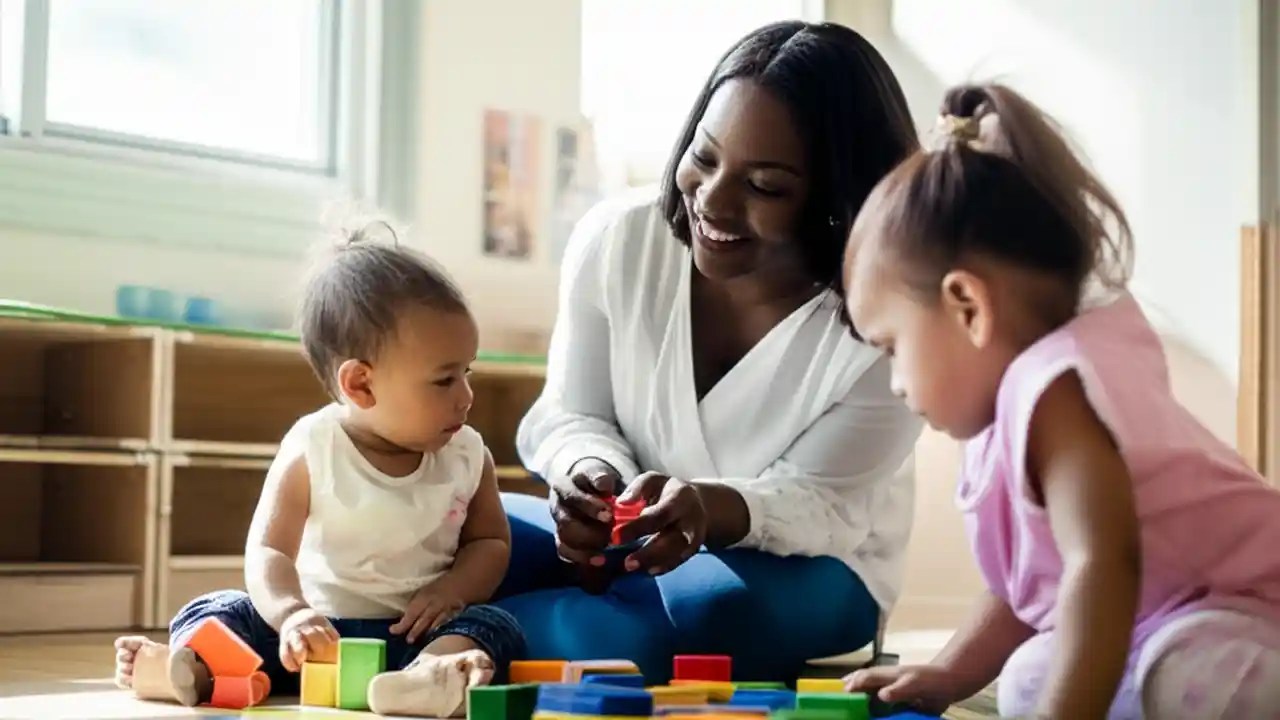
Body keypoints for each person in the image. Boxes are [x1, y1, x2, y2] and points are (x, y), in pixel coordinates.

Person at [494, 20, 924, 683]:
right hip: (633, 541)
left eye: (765, 186)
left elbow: (825, 508)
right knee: (440, 533)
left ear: (839, 199)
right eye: (705, 156)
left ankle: (460, 635)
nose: (713, 199)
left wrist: (710, 508)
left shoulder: (888, 323)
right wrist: (590, 476)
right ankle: (459, 626)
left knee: (706, 620)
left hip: (810, 567)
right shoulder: (618, 241)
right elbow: (569, 413)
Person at [841, 83, 1280, 718]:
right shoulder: (1008, 408)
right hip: (1164, 616)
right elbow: (1029, 585)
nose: (896, 383)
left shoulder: (1055, 390)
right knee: (1029, 678)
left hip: (1245, 608)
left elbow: (1100, 564)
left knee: (1182, 668)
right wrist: (948, 673)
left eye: (891, 348)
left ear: (967, 307)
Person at [113, 227, 526, 717]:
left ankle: (426, 680)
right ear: (360, 384)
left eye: (467, 372)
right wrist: (291, 614)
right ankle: (190, 669)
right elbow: (268, 549)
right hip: (310, 640)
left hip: (413, 636)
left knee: (495, 625)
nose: (466, 396)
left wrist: (452, 592)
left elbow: (490, 543)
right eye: (444, 379)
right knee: (220, 608)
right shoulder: (314, 445)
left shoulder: (467, 454)